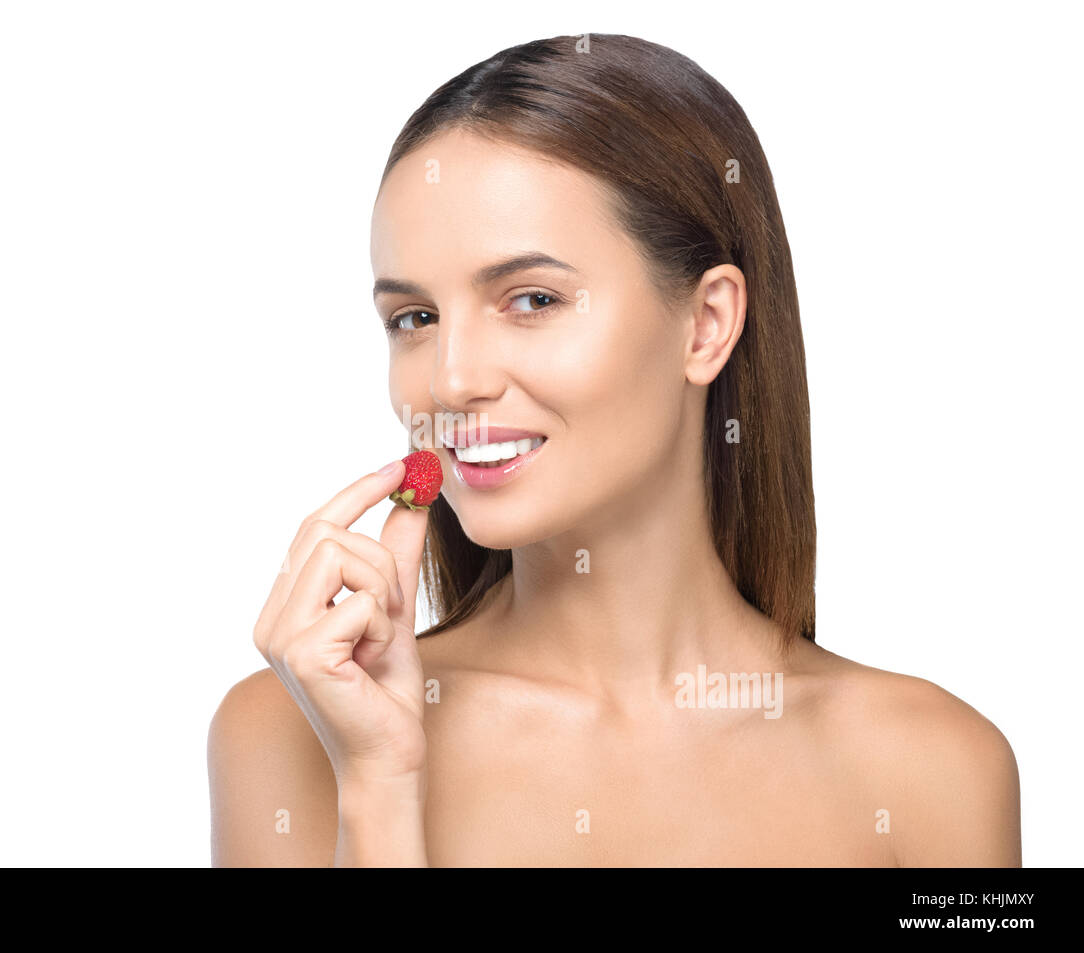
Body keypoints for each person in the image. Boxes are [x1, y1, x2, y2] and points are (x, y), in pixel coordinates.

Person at [208, 33, 1021, 867]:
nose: (451, 380)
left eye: (531, 299)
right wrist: (380, 786)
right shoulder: (294, 734)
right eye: (414, 318)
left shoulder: (936, 768)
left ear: (706, 325)